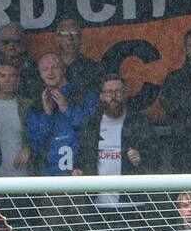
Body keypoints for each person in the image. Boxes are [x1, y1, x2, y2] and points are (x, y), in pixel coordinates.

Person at [74, 73, 161, 208]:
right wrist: (78, 170)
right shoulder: (91, 124)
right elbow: (82, 156)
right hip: (98, 205)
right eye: (109, 92)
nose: (113, 97)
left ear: (125, 94)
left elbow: (156, 158)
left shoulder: (140, 122)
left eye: (117, 92)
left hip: (133, 203)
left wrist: (141, 158)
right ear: (101, 96)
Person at [28, 52, 97, 176]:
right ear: (40, 73)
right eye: (45, 69)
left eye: (55, 67)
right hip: (48, 181)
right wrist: (47, 114)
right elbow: (36, 144)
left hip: (78, 175)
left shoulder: (83, 94)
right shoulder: (36, 106)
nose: (50, 72)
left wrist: (66, 109)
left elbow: (92, 128)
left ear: (64, 69)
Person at [54, 18, 103, 99]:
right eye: (65, 33)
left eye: (74, 33)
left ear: (80, 39)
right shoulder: (49, 66)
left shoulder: (93, 68)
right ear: (58, 39)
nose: (70, 38)